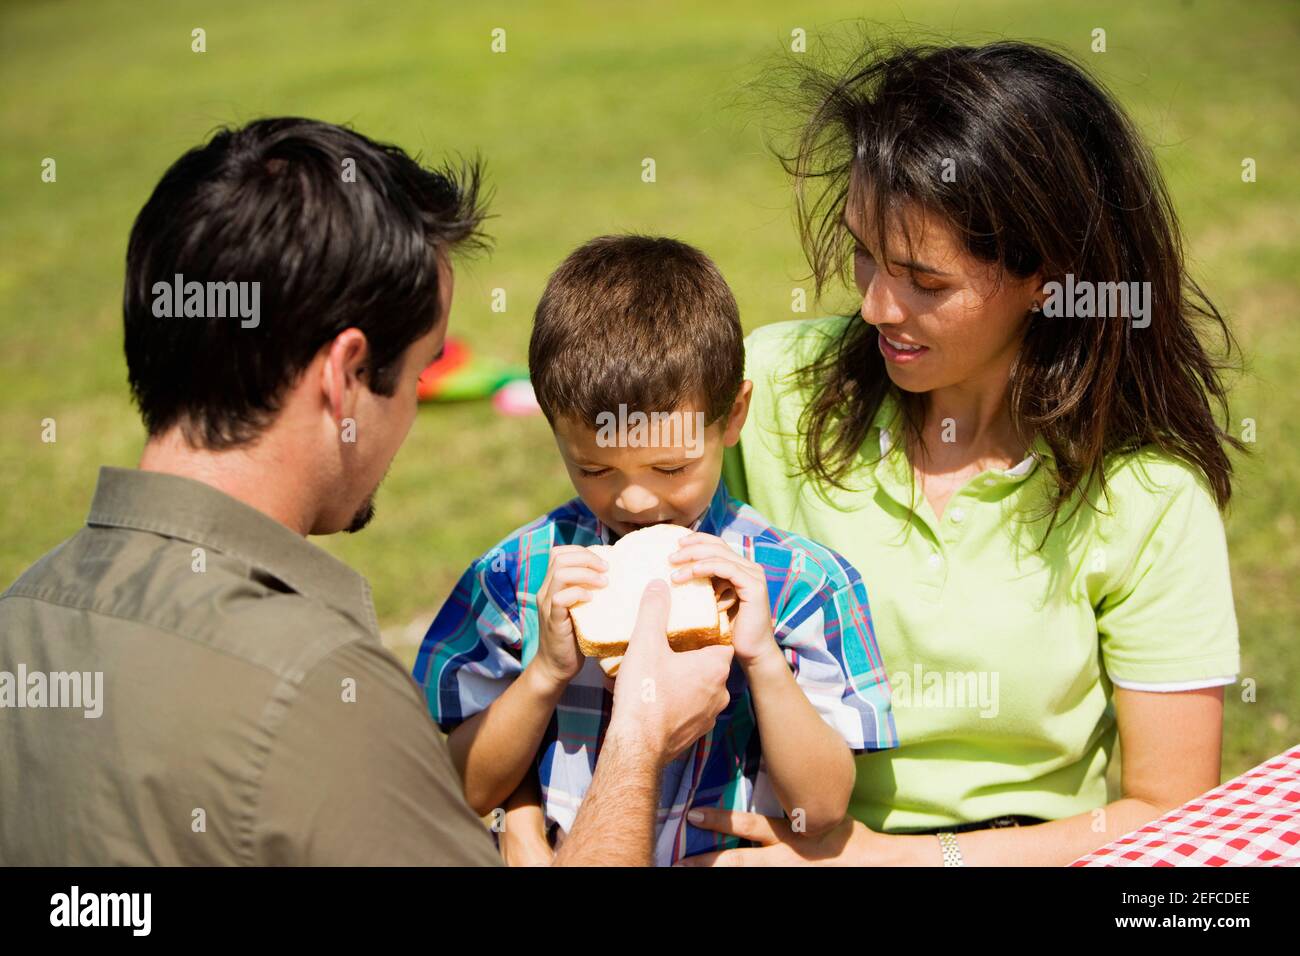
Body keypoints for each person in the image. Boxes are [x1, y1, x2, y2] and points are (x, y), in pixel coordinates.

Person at [0, 118, 731, 866]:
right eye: (420, 371)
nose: (415, 409)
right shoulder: (321, 696)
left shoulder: (21, 616)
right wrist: (639, 735)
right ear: (346, 375)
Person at [684, 39, 1241, 866]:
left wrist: (904, 861)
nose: (873, 305)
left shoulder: (1149, 497)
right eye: (864, 253)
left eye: (924, 281)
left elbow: (1166, 811)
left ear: (1047, 277)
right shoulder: (769, 388)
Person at [413, 235, 897, 866]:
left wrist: (762, 659)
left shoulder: (801, 583)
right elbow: (464, 788)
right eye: (593, 469)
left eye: (670, 467)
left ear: (733, 415)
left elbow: (824, 807)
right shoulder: (516, 576)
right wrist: (545, 673)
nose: (635, 502)